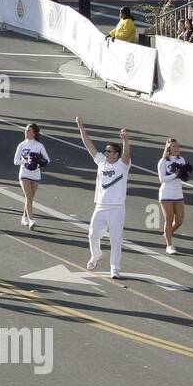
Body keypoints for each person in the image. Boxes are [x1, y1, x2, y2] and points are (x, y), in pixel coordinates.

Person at [77, 118, 130, 278]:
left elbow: (127, 155)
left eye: (109, 151)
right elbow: (88, 145)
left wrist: (126, 141)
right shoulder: (101, 162)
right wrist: (81, 127)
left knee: (116, 239)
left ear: (116, 154)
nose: (105, 153)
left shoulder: (122, 165)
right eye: (105, 151)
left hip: (117, 208)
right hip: (100, 206)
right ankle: (96, 255)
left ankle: (115, 268)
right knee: (92, 235)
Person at [13, 123, 50, 228]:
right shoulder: (21, 145)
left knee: (30, 199)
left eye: (28, 131)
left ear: (34, 133)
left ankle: (24, 217)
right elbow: (15, 161)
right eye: (25, 130)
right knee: (28, 198)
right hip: (24, 173)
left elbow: (48, 159)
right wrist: (26, 161)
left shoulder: (39, 146)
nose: (26, 132)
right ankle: (31, 220)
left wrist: (38, 161)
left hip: (36, 175)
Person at [156, 139, 187, 254]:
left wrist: (184, 174)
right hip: (166, 194)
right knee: (169, 219)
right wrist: (175, 174)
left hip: (178, 193)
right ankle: (169, 245)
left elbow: (183, 177)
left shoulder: (181, 159)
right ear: (168, 148)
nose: (176, 148)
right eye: (174, 146)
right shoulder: (162, 162)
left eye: (177, 146)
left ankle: (167, 233)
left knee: (179, 220)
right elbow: (162, 179)